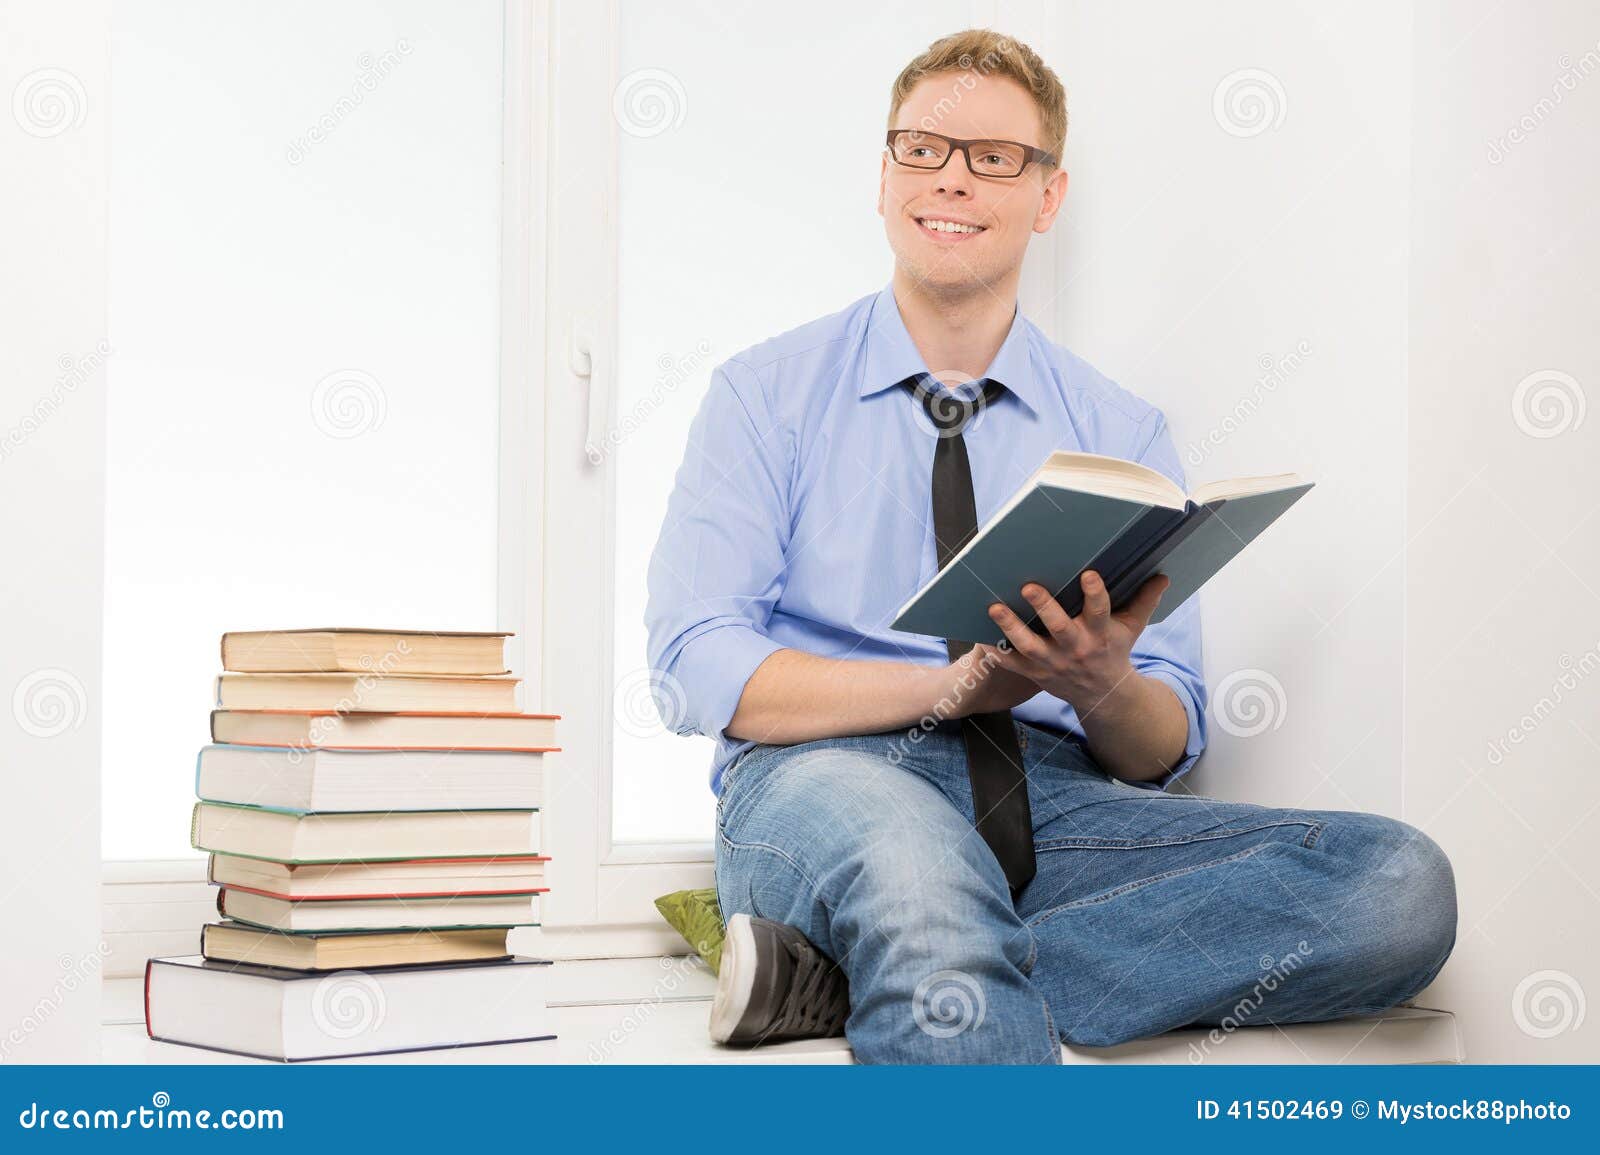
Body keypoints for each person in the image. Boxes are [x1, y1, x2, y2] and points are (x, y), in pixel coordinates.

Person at [644, 28, 1456, 1064]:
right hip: (824, 779)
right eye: (922, 148)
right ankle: (918, 944)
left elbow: (1164, 747)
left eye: (994, 158)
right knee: (916, 873)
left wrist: (1101, 683)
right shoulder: (763, 396)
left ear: (1047, 196)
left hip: (1054, 800)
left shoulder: (1119, 429)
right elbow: (695, 665)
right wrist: (948, 689)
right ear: (884, 175)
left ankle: (859, 975)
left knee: (1395, 885)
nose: (953, 179)